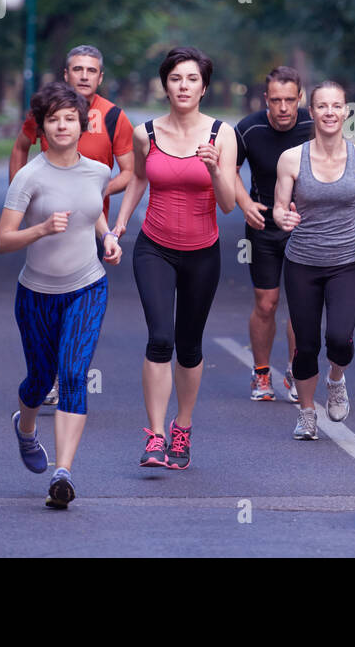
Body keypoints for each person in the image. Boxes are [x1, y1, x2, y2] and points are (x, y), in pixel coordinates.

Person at [0, 81, 122, 508]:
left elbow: (92, 216)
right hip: (36, 294)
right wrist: (42, 228)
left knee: (72, 374)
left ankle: (62, 473)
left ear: (83, 123)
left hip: (87, 286)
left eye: (71, 118)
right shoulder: (29, 177)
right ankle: (26, 428)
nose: (63, 125)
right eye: (54, 119)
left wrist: (109, 239)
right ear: (41, 127)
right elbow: (3, 241)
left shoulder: (99, 172)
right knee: (39, 380)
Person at [113, 47, 238, 470]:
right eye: (175, 79)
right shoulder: (145, 132)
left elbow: (227, 206)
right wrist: (119, 225)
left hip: (203, 252)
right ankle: (156, 435)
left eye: (191, 79)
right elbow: (138, 182)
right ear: (165, 85)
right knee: (160, 338)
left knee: (189, 346)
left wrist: (217, 169)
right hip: (155, 247)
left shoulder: (222, 134)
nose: (183, 86)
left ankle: (182, 427)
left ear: (204, 87)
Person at [9, 44, 134, 407]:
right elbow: (20, 147)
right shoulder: (48, 109)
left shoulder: (114, 117)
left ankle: (68, 378)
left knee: (79, 303)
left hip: (93, 222)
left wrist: (91, 191)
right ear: (66, 74)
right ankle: (47, 375)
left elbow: (129, 173)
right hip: (48, 222)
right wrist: (18, 195)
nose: (83, 75)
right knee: (47, 296)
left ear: (100, 76)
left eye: (91, 70)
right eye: (76, 69)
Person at [273, 81, 355, 441]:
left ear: (346, 111)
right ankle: (306, 413)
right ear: (312, 112)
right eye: (322, 106)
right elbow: (277, 208)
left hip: (347, 261)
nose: (330, 112)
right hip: (302, 262)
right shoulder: (292, 159)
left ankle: (336, 379)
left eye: (336, 106)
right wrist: (282, 218)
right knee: (305, 345)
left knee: (339, 339)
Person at [234, 66, 313, 403]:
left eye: (289, 100)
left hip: (305, 223)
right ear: (266, 98)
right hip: (263, 223)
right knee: (266, 303)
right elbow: (228, 172)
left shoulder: (314, 124)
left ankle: (296, 372)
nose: (283, 107)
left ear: (300, 98)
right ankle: (261, 372)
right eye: (276, 100)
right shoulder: (249, 128)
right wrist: (245, 203)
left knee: (300, 305)